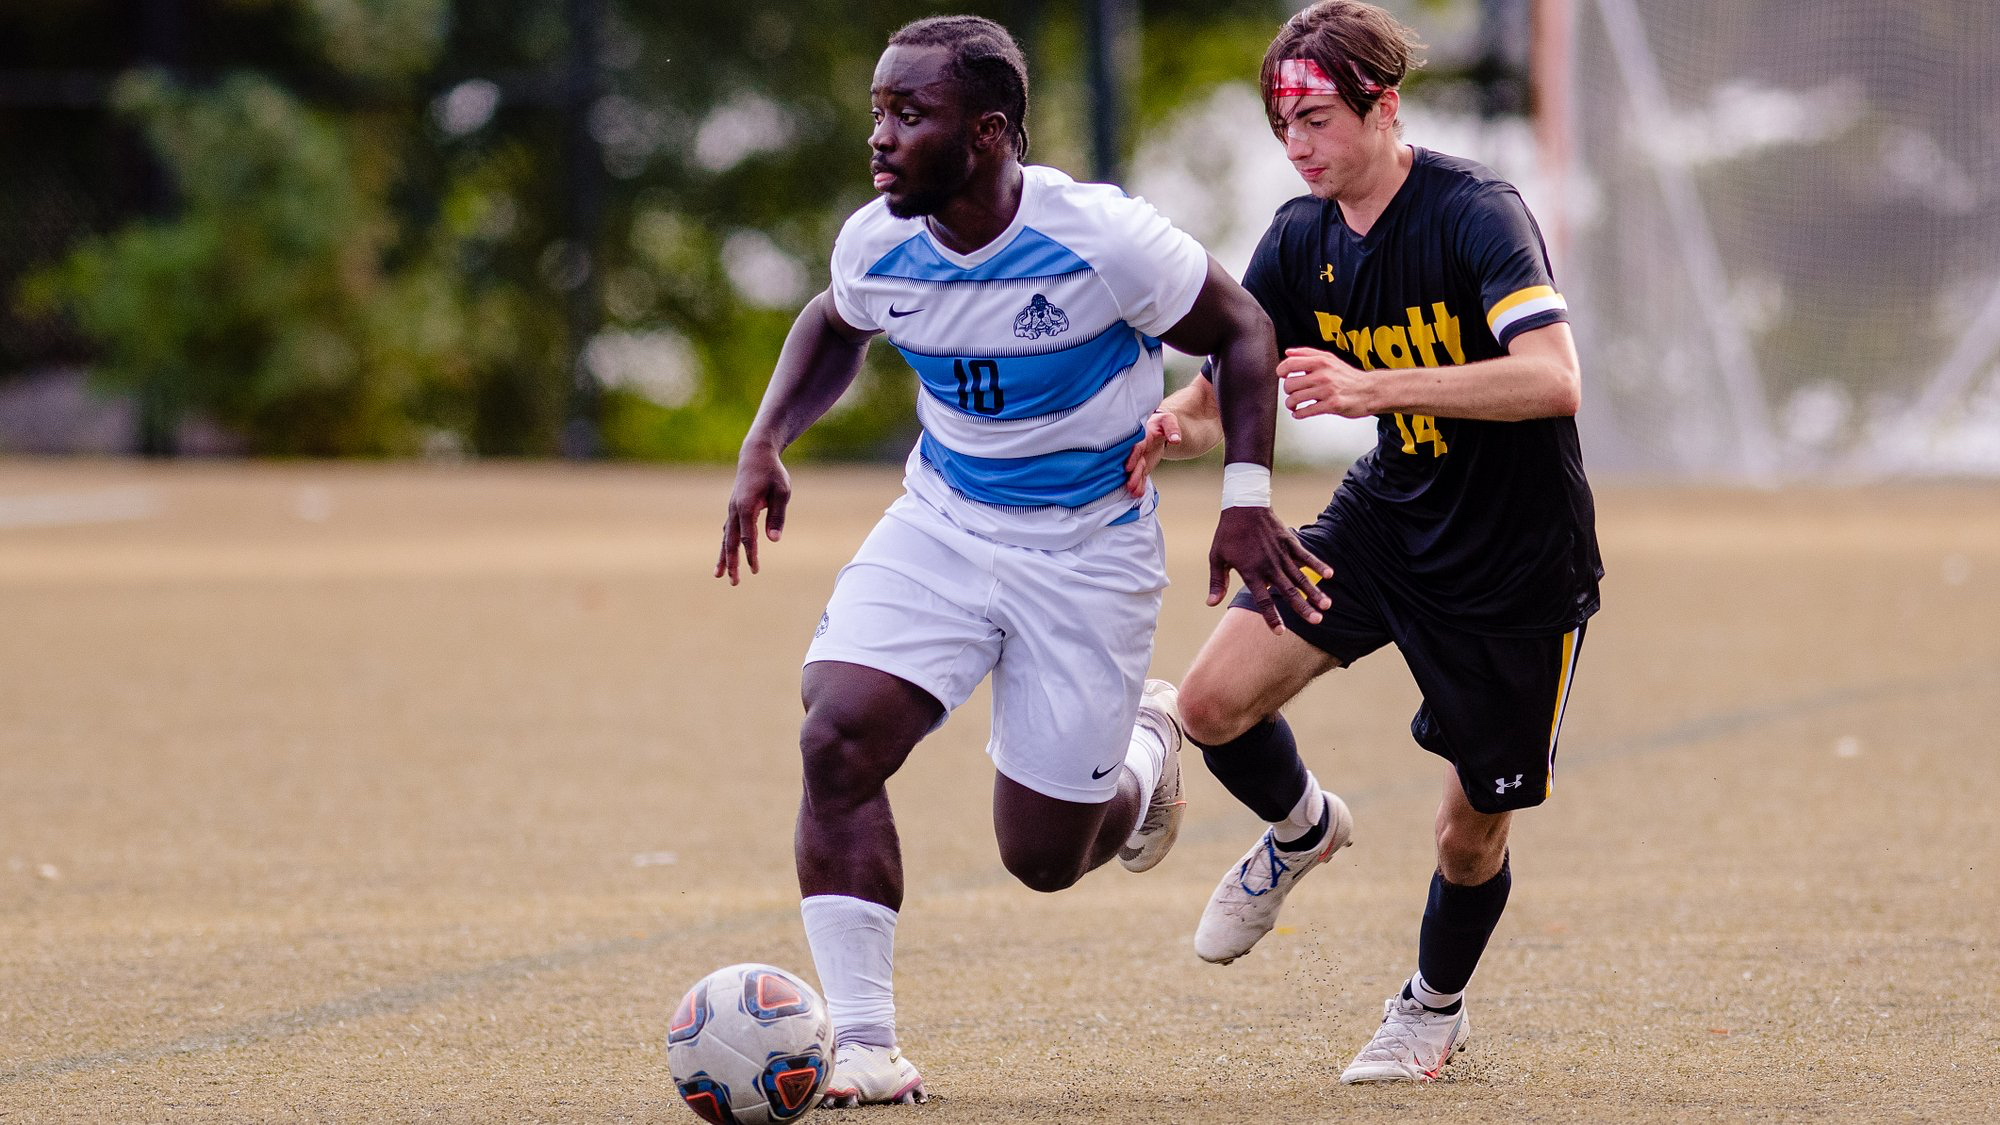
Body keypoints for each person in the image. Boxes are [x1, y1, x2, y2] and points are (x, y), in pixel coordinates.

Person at [715, 14, 1329, 1108]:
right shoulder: (876, 239)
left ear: (989, 134)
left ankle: (1146, 750)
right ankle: (863, 1044)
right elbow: (833, 320)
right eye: (876, 112)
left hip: (1088, 554)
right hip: (943, 520)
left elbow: (1242, 329)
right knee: (835, 736)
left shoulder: (1105, 239)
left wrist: (1243, 499)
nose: (881, 138)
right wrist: (766, 439)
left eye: (910, 115)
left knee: (1043, 858)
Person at [1126, 0, 1603, 1085]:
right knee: (1207, 706)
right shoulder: (1299, 235)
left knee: (1466, 833)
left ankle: (1431, 1009)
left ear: (1383, 107)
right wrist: (1172, 426)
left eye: (1317, 122)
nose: (1296, 148)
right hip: (1386, 519)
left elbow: (1553, 377)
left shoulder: (1473, 210)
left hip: (1515, 568)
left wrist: (1368, 385)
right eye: (1280, 127)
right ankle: (1301, 831)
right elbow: (1220, 389)